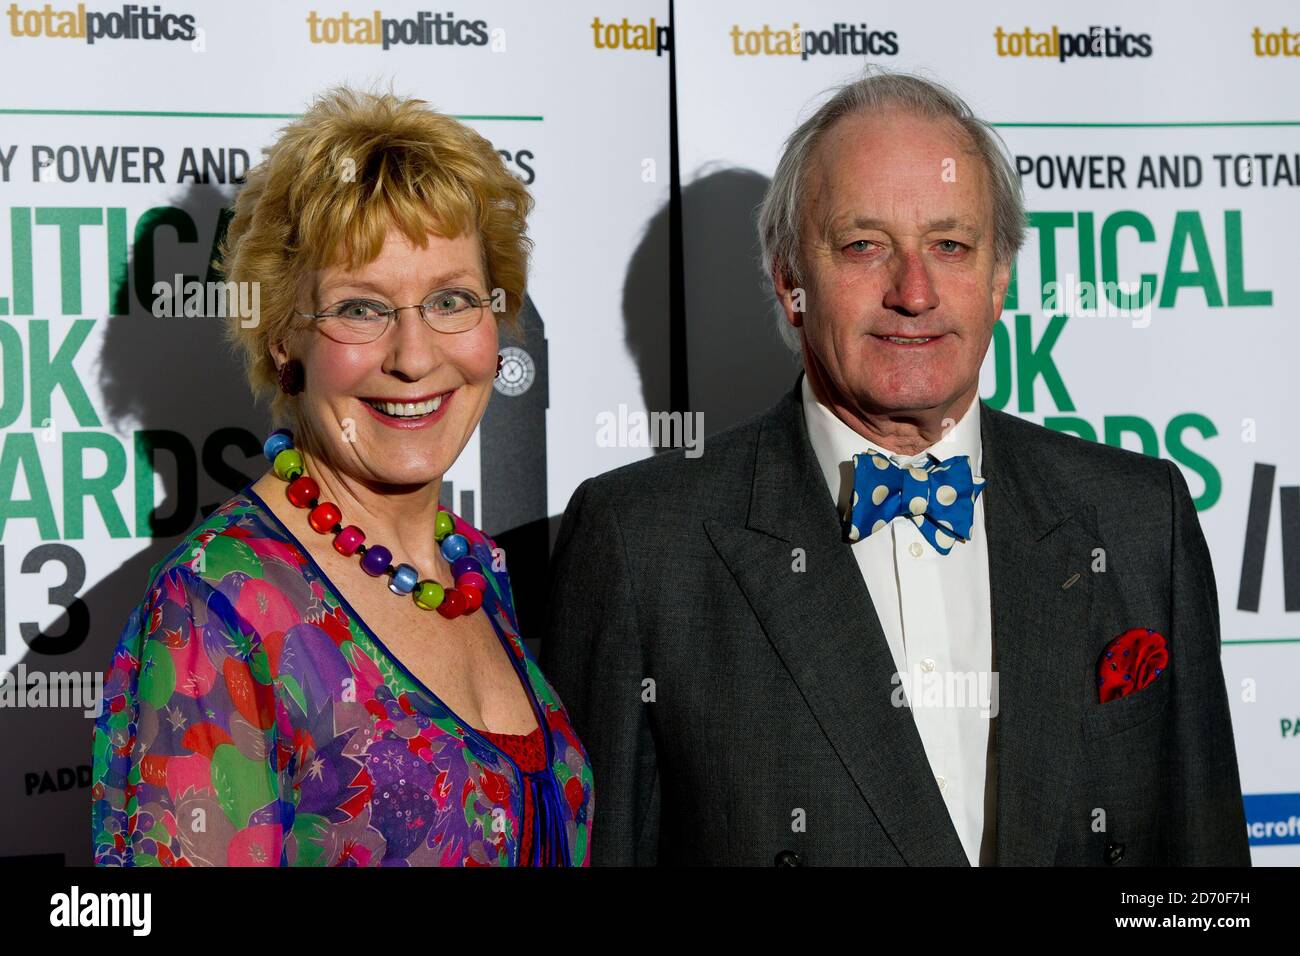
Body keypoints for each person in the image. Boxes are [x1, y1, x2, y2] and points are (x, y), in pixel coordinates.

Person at [540, 69, 1249, 866]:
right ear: (789, 280)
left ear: (999, 274)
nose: (914, 291)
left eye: (950, 245)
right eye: (863, 246)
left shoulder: (1137, 517)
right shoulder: (643, 545)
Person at [91, 86, 593, 867]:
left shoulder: (474, 568)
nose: (415, 357)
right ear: (284, 336)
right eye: (361, 310)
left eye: (452, 299)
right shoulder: (219, 606)